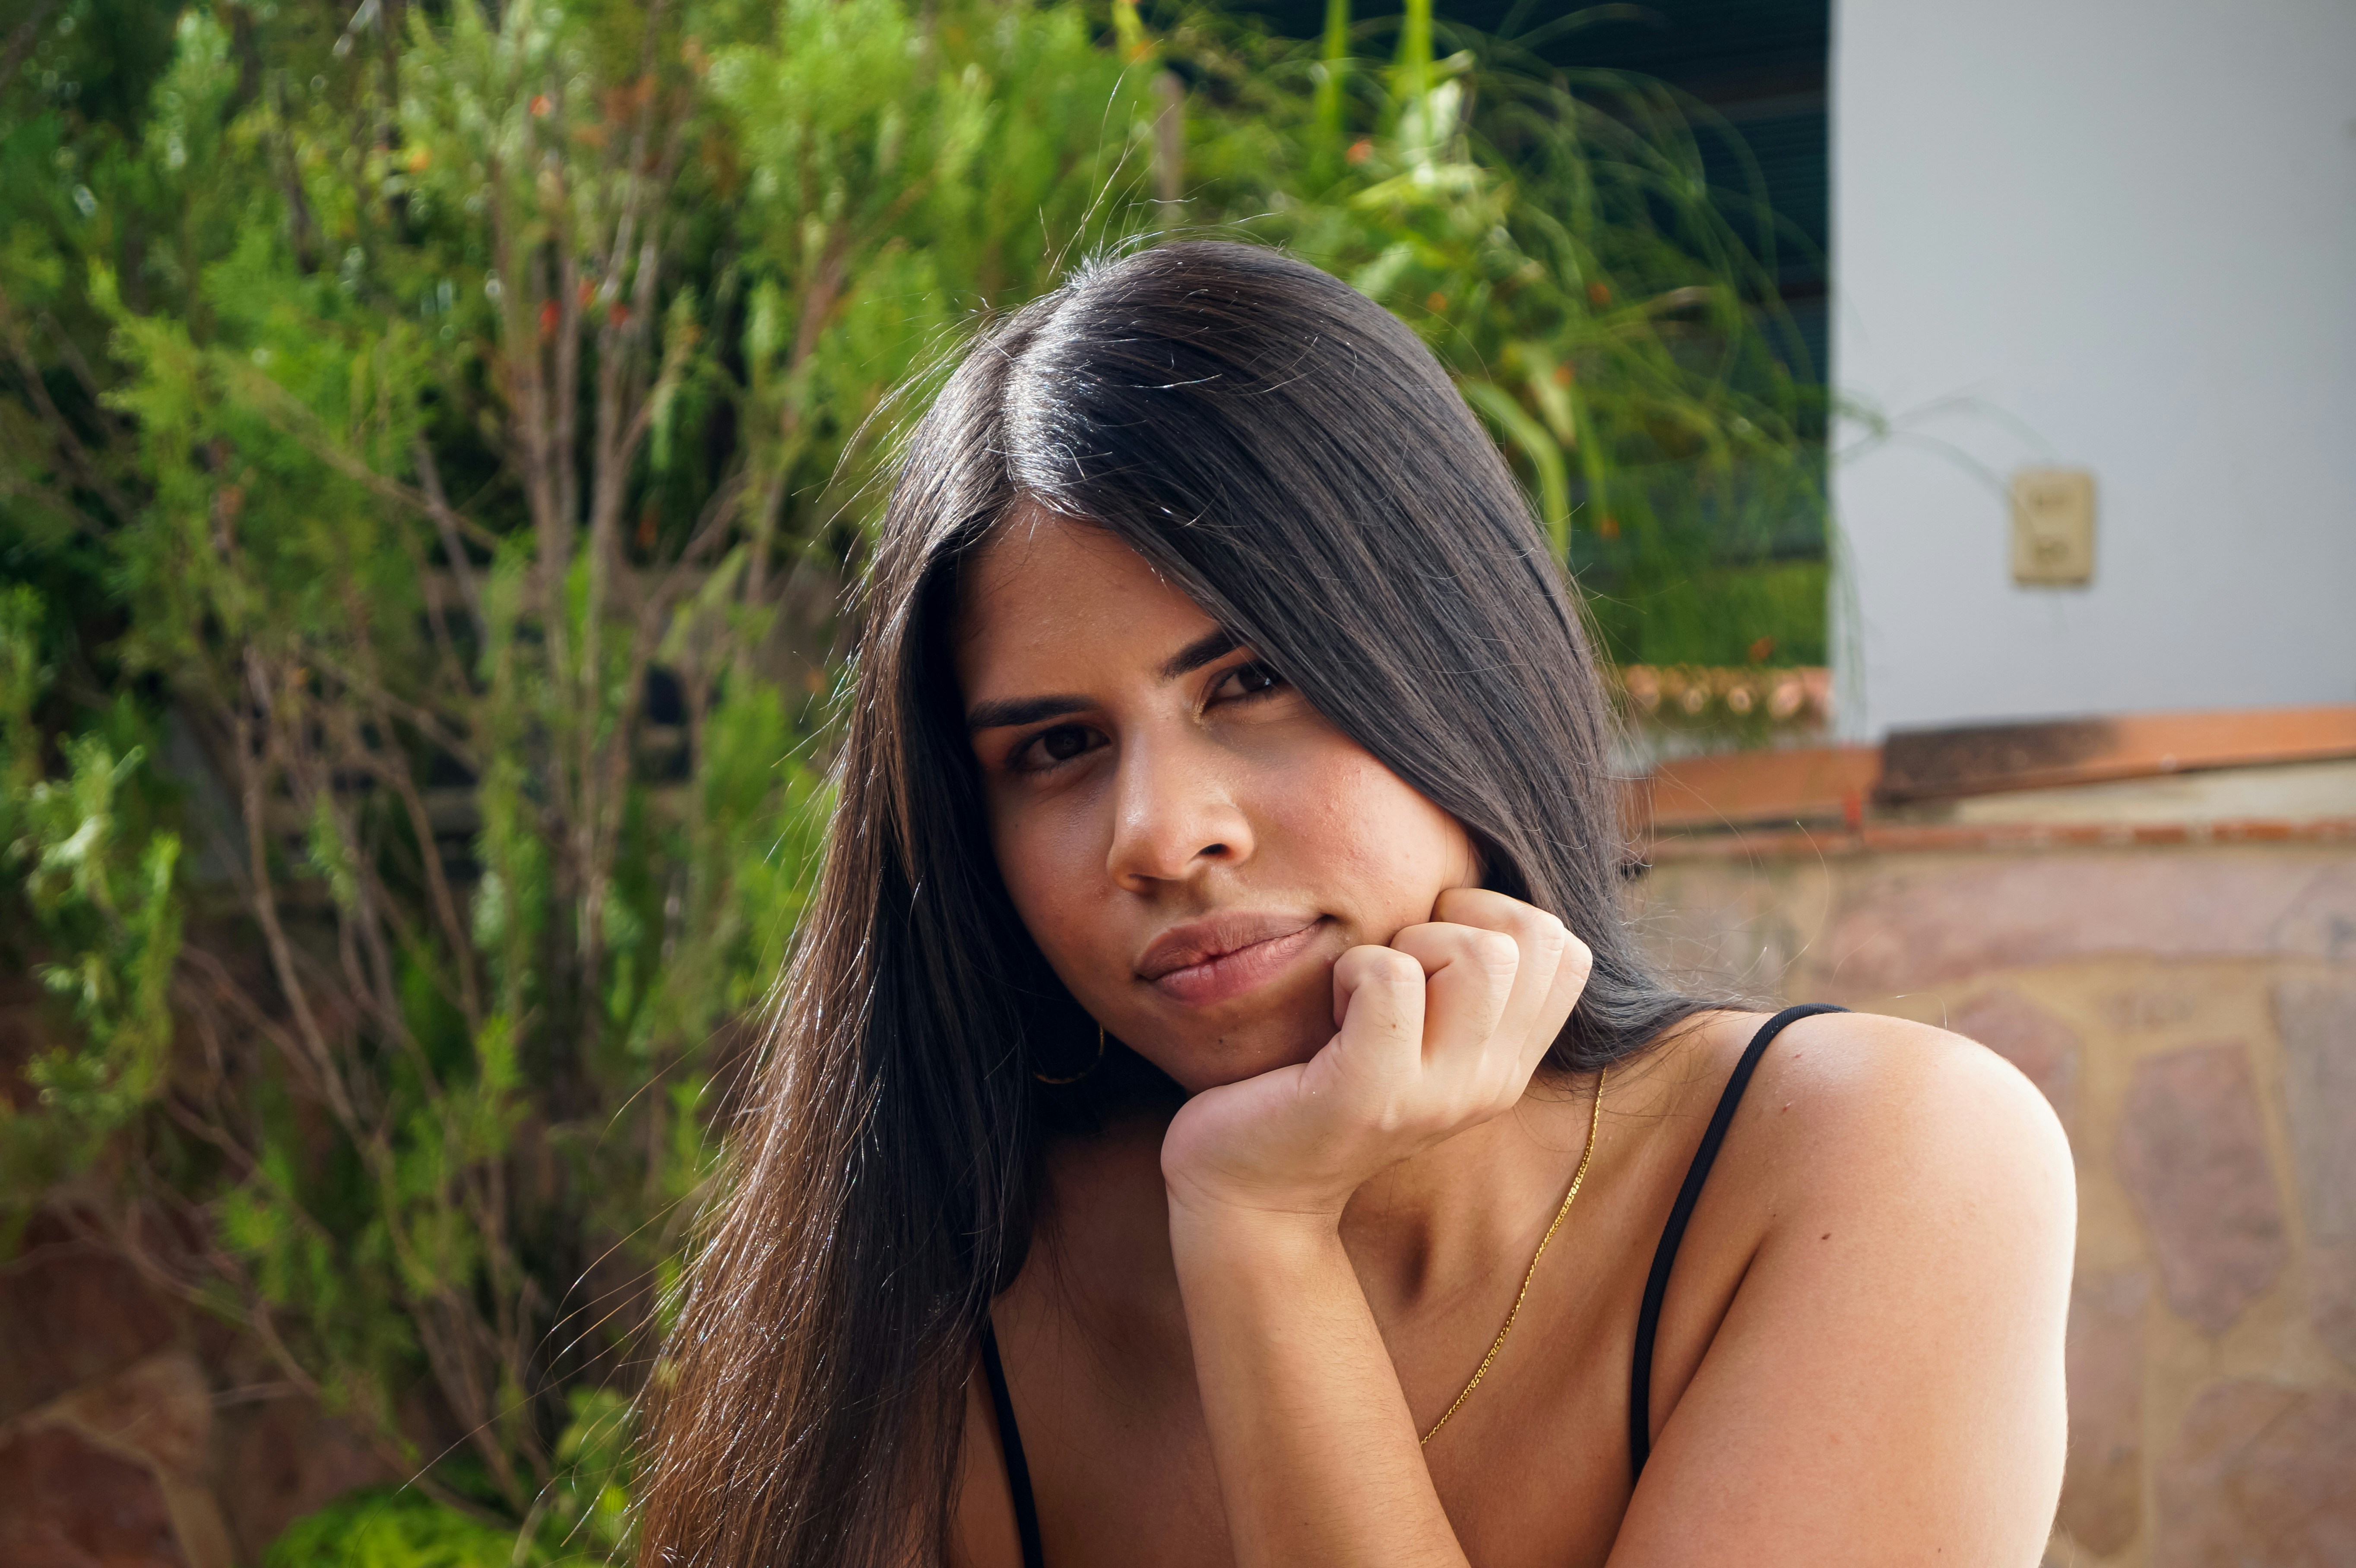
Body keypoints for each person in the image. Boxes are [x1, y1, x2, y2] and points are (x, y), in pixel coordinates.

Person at [635, 241, 2074, 1567]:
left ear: (1457, 654)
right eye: (1057, 749)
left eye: (1251, 680)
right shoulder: (964, 1286)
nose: (1161, 834)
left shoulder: (1866, 1158)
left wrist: (1260, 1234)